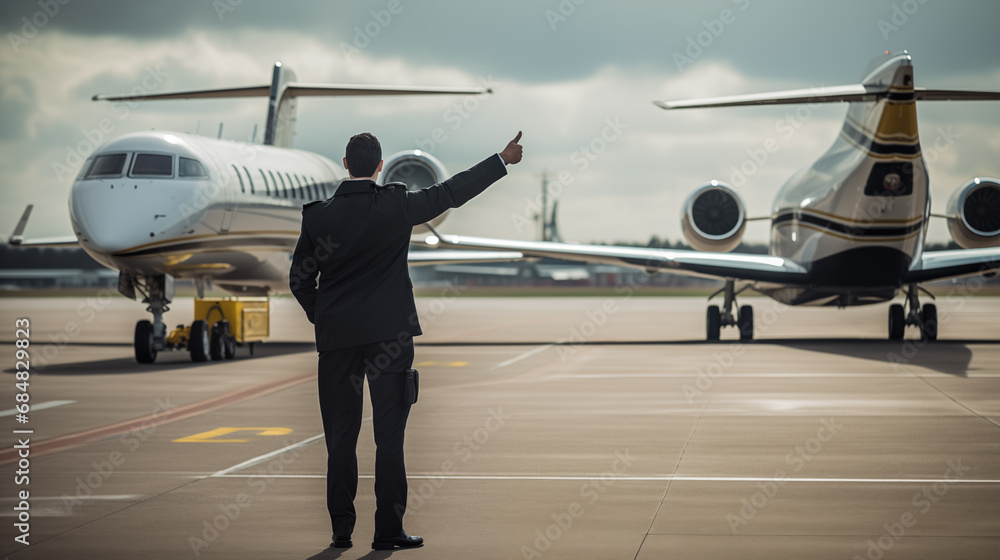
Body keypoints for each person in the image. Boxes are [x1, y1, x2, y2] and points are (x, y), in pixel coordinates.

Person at [289, 131, 523, 550]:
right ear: (380, 167)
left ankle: (341, 531)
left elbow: (300, 280)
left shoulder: (318, 217)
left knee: (340, 439)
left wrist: (324, 317)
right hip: (388, 340)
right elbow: (452, 192)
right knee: (389, 438)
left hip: (337, 341)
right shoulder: (397, 205)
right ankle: (387, 531)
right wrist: (501, 160)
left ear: (345, 164)